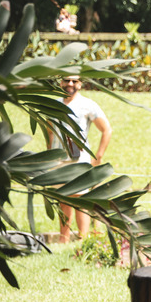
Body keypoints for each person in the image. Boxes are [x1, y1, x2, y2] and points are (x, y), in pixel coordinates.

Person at [45, 76, 112, 243]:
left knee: (81, 200)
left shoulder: (87, 105)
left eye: (74, 81)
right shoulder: (54, 104)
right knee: (62, 200)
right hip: (59, 160)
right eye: (66, 80)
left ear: (80, 84)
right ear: (60, 82)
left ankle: (83, 240)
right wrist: (49, 152)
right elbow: (49, 129)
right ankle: (63, 240)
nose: (70, 84)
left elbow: (106, 130)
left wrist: (98, 156)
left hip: (79, 160)